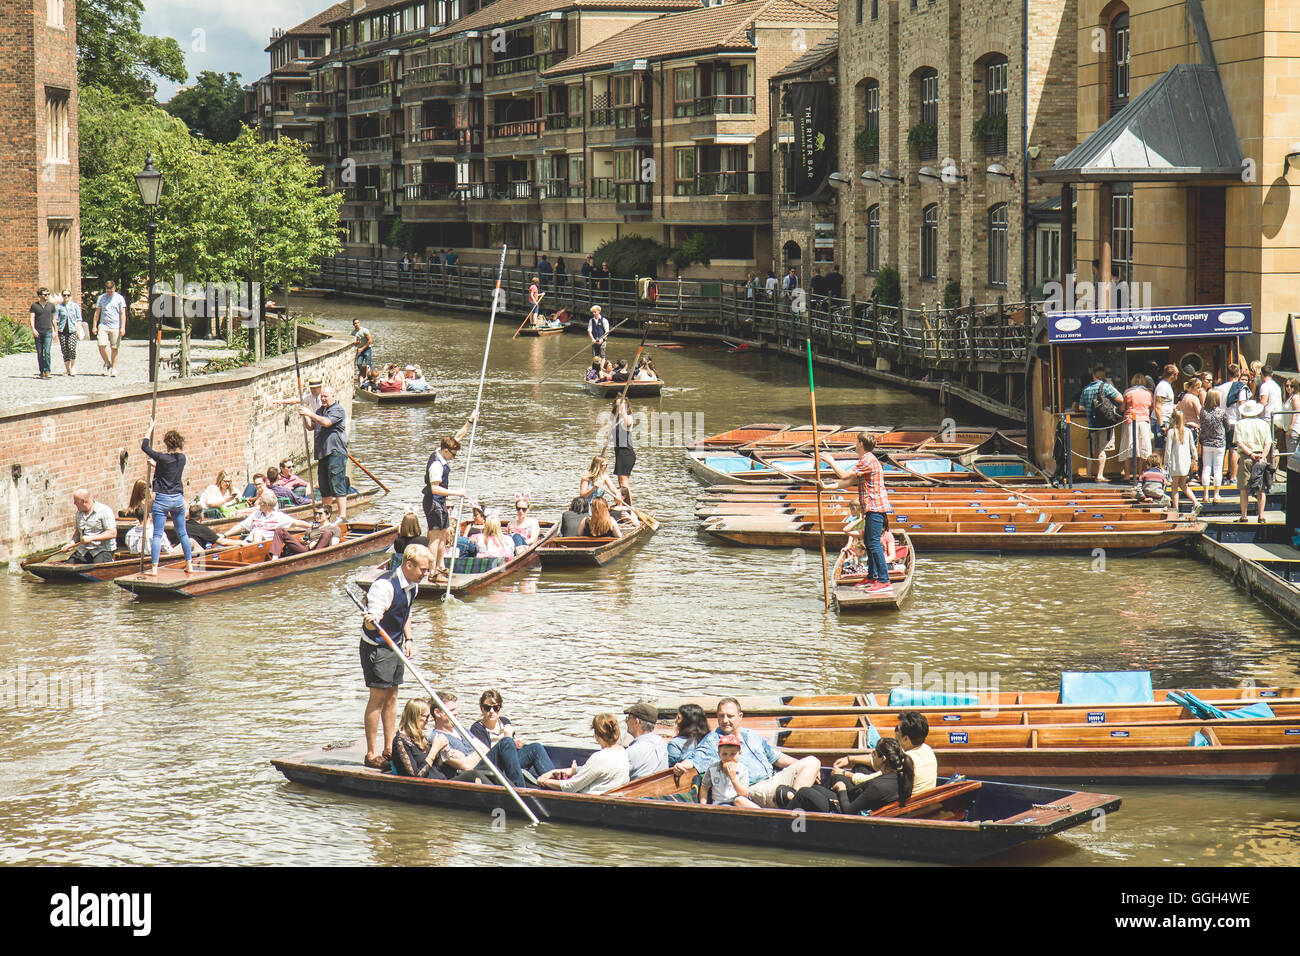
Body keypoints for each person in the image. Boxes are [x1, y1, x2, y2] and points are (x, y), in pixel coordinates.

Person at [358, 545, 432, 769]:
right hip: (377, 647)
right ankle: (371, 754)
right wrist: (371, 618)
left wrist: (409, 639)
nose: (426, 574)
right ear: (408, 565)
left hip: (396, 645)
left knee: (392, 696)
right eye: (423, 569)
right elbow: (375, 617)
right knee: (378, 699)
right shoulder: (385, 586)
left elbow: (405, 613)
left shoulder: (413, 586)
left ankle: (389, 747)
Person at [672, 698, 821, 808]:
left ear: (740, 717)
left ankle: (795, 802)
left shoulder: (751, 734)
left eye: (729, 716)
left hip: (773, 778)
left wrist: (801, 766)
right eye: (721, 716)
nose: (725, 720)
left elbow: (777, 758)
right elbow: (697, 757)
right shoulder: (713, 740)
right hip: (753, 789)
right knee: (787, 792)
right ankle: (796, 804)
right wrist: (681, 765)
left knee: (812, 761)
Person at [424, 692, 555, 787]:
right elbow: (467, 766)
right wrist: (472, 756)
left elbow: (485, 748)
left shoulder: (460, 729)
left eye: (455, 709)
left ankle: (556, 783)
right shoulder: (437, 737)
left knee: (535, 748)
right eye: (451, 710)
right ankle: (520, 789)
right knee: (506, 742)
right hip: (476, 774)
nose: (456, 713)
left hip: (486, 764)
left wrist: (466, 756)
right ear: (438, 712)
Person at [819, 433, 893, 592]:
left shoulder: (868, 460)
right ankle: (872, 576)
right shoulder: (865, 461)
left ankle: (884, 580)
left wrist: (832, 461)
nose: (855, 444)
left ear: (860, 444)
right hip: (870, 509)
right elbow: (848, 481)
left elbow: (844, 474)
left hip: (875, 508)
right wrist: (827, 487)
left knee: (873, 544)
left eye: (856, 442)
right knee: (868, 542)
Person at [785, 738, 914, 815]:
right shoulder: (900, 776)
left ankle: (784, 822)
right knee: (816, 788)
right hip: (856, 802)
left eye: (874, 753)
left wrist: (841, 790)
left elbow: (848, 811)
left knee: (804, 792)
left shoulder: (879, 786)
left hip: (848, 812)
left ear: (883, 758)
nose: (871, 755)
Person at [422, 415, 477, 580]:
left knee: (445, 534)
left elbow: (458, 437)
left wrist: (470, 421)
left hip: (440, 503)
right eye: (453, 454)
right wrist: (456, 493)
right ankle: (432, 571)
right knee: (435, 537)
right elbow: (435, 488)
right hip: (433, 502)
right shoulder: (436, 465)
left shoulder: (442, 452)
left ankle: (441, 566)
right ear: (446, 451)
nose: (454, 457)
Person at [831, 710, 937, 795]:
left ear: (906, 739)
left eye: (897, 729)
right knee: (861, 767)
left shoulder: (905, 762)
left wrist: (843, 773)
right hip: (915, 800)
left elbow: (866, 780)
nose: (895, 732)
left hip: (894, 805)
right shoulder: (927, 749)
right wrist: (849, 759)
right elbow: (881, 760)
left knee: (837, 778)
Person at [139, 421, 195, 575]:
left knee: (157, 533)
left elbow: (144, 447)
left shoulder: (163, 458)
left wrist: (149, 428)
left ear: (166, 443)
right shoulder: (182, 458)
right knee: (182, 533)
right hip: (177, 499)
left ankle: (155, 569)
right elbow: (169, 471)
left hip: (163, 500)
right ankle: (189, 565)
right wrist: (156, 465)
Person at [536, 713, 630, 795]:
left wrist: (545, 781)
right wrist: (558, 771)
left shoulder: (599, 757)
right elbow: (593, 770)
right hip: (610, 796)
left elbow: (569, 787)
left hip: (589, 800)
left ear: (596, 735)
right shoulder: (622, 752)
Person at [299, 385, 350, 521]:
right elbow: (310, 427)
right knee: (324, 485)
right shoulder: (320, 410)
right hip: (322, 452)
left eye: (326, 396)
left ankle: (342, 516)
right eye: (322, 396)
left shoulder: (338, 410)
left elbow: (326, 423)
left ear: (333, 396)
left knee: (337, 482)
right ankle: (325, 515)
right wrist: (305, 415)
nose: (323, 399)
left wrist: (311, 414)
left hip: (335, 451)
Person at [216, 490, 310, 546]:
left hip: (264, 546)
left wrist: (314, 525)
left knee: (258, 532)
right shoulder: (256, 514)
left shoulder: (278, 516)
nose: (258, 504)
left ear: (267, 505)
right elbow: (241, 526)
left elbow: (297, 523)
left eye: (260, 502)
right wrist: (224, 535)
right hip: (247, 543)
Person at [1079, 364, 1123, 480]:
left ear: (1093, 375)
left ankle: (1088, 473)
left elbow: (1080, 407)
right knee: (1102, 449)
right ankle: (1100, 475)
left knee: (1091, 450)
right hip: (1104, 424)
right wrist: (1112, 385)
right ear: (1104, 376)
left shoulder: (1086, 389)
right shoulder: (1106, 387)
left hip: (1091, 424)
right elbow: (1121, 399)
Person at [1235, 399, 1275, 523]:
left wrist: (1251, 454)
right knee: (1261, 488)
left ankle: (1244, 515)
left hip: (1246, 457)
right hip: (1261, 457)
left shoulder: (1239, 424)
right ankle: (1261, 516)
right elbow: (1268, 442)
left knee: (1244, 488)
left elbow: (1239, 442)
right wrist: (1263, 456)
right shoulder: (1264, 424)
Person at [698, 734, 758, 809]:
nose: (728, 758)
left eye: (732, 754)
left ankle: (763, 815)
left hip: (737, 803)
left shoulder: (743, 769)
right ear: (719, 754)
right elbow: (704, 787)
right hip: (718, 804)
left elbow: (743, 793)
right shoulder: (712, 768)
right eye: (724, 754)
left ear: (739, 753)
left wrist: (733, 778)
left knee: (740, 800)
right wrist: (702, 805)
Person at [59, 489, 118, 564]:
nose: (74, 503)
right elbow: (77, 533)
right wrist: (71, 544)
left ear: (83, 501)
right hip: (84, 550)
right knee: (68, 566)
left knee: (97, 569)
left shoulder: (104, 511)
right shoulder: (79, 513)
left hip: (102, 549)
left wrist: (91, 538)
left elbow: (112, 533)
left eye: (76, 501)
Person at [390, 699, 444, 779]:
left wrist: (443, 752)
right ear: (416, 717)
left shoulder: (421, 738)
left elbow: (436, 767)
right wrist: (434, 750)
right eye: (427, 716)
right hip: (429, 787)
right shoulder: (400, 741)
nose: (429, 720)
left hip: (442, 780)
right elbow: (415, 776)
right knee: (469, 775)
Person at [1117, 373, 1153, 481]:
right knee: (1143, 448)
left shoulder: (1128, 392)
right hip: (1144, 421)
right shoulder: (1148, 393)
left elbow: (1122, 408)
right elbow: (1151, 408)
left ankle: (1127, 474)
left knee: (1128, 447)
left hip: (1130, 421)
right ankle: (1141, 474)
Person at [269, 503, 340, 558]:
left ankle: (315, 556)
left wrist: (316, 542)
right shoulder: (313, 527)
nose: (317, 516)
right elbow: (306, 539)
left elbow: (334, 546)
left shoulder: (334, 528)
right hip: (306, 550)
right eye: (316, 514)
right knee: (279, 530)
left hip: (319, 551)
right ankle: (275, 559)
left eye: (320, 514)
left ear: (328, 515)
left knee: (326, 534)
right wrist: (305, 541)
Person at [1165, 409, 1200, 515]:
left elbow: (1168, 450)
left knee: (1174, 488)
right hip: (1186, 462)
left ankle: (1175, 510)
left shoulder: (1171, 432)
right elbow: (1192, 447)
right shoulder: (1188, 431)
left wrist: (1166, 463)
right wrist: (1195, 458)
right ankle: (1196, 502)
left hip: (1176, 463)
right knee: (1183, 485)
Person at [624, 701, 668, 779]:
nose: (626, 721)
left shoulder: (631, 752)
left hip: (638, 790)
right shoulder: (660, 742)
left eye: (628, 718)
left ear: (636, 722)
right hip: (658, 787)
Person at [92, 279, 127, 376]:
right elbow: (97, 312)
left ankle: (114, 368)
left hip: (115, 326)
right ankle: (107, 363)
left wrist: (123, 327)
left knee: (114, 348)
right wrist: (94, 326)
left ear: (114, 288)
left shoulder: (119, 298)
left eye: (111, 291)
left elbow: (123, 313)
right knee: (101, 345)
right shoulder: (101, 298)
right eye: (107, 290)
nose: (109, 292)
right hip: (103, 325)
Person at [1199, 389, 1228, 504]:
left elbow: (1201, 423)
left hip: (1206, 442)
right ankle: (1216, 494)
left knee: (1206, 468)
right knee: (1218, 468)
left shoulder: (1203, 411)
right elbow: (1227, 426)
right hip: (1219, 443)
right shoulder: (1221, 412)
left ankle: (1205, 495)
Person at [609, 395, 636, 504]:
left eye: (622, 405)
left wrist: (623, 410)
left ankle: (628, 506)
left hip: (626, 453)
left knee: (624, 483)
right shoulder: (616, 420)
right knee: (621, 482)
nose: (619, 407)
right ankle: (623, 503)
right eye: (617, 405)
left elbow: (628, 423)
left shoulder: (628, 417)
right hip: (619, 453)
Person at [28, 287, 57, 379]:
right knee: (40, 352)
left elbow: (53, 319)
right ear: (40, 295)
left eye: (48, 294)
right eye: (45, 294)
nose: (47, 296)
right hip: (38, 332)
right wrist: (33, 329)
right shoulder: (34, 306)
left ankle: (47, 370)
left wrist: (55, 331)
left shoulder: (51, 306)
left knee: (47, 351)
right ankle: (42, 371)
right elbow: (32, 318)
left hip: (48, 331)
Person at [55, 289, 82, 376]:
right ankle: (67, 369)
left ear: (70, 296)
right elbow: (55, 320)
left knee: (72, 349)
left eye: (68, 295)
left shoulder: (75, 306)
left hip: (72, 330)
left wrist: (78, 330)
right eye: (64, 295)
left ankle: (73, 367)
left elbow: (78, 319)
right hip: (62, 330)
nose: (66, 297)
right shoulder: (59, 307)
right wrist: (55, 331)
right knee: (65, 350)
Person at [1154, 364, 1178, 447]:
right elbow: (1158, 406)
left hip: (1165, 419)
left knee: (1164, 449)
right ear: (1173, 374)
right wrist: (1161, 425)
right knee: (1160, 449)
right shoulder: (1163, 386)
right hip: (1162, 420)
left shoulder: (1167, 385)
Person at [1258, 365, 1283, 445]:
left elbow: (1263, 402)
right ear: (1271, 374)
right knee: (1274, 443)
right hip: (1278, 417)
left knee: (1267, 443)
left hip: (1268, 418)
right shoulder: (1276, 386)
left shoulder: (1264, 386)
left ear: (1261, 374)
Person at [1282, 376, 1300, 454]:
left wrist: (1290, 428)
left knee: (1292, 455)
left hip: (1294, 430)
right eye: (1287, 385)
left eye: (1291, 386)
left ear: (1295, 387)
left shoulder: (1295, 397)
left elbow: (1296, 413)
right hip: (1289, 428)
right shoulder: (1289, 397)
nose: (1289, 388)